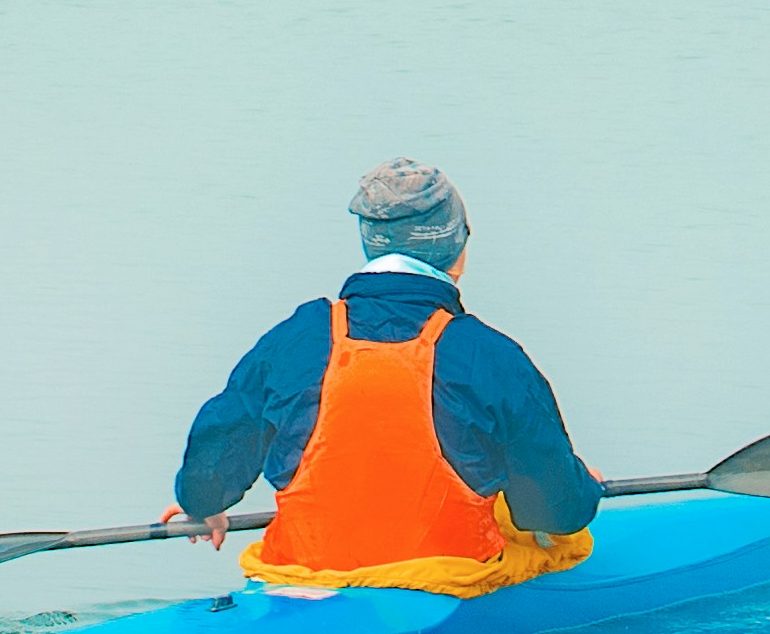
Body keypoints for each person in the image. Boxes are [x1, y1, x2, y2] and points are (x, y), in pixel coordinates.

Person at [174, 158, 605, 595]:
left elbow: (215, 455)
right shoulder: (489, 355)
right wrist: (581, 484)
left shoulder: (295, 338)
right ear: (457, 250)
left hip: (302, 576)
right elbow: (554, 512)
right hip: (444, 584)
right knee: (560, 541)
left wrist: (203, 504)